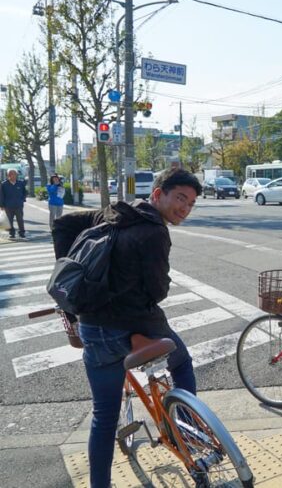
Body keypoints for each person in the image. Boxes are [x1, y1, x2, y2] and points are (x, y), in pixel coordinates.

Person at [52, 168, 202, 488]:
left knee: (104, 417)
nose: (185, 208)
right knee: (182, 363)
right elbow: (157, 291)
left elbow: (62, 224)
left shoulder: (114, 213)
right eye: (180, 198)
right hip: (136, 325)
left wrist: (70, 277)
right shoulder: (155, 232)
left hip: (93, 328)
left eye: (190, 203)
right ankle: (190, 435)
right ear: (158, 194)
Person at [0, 168, 27, 238]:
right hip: (8, 206)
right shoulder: (4, 184)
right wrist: (1, 205)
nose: (12, 175)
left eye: (14, 174)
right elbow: (1, 195)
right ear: (8, 175)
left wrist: (22, 200)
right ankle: (12, 233)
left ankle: (22, 232)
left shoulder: (20, 183)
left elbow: (24, 192)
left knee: (20, 220)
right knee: (9, 220)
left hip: (18, 205)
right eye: (10, 174)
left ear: (16, 175)